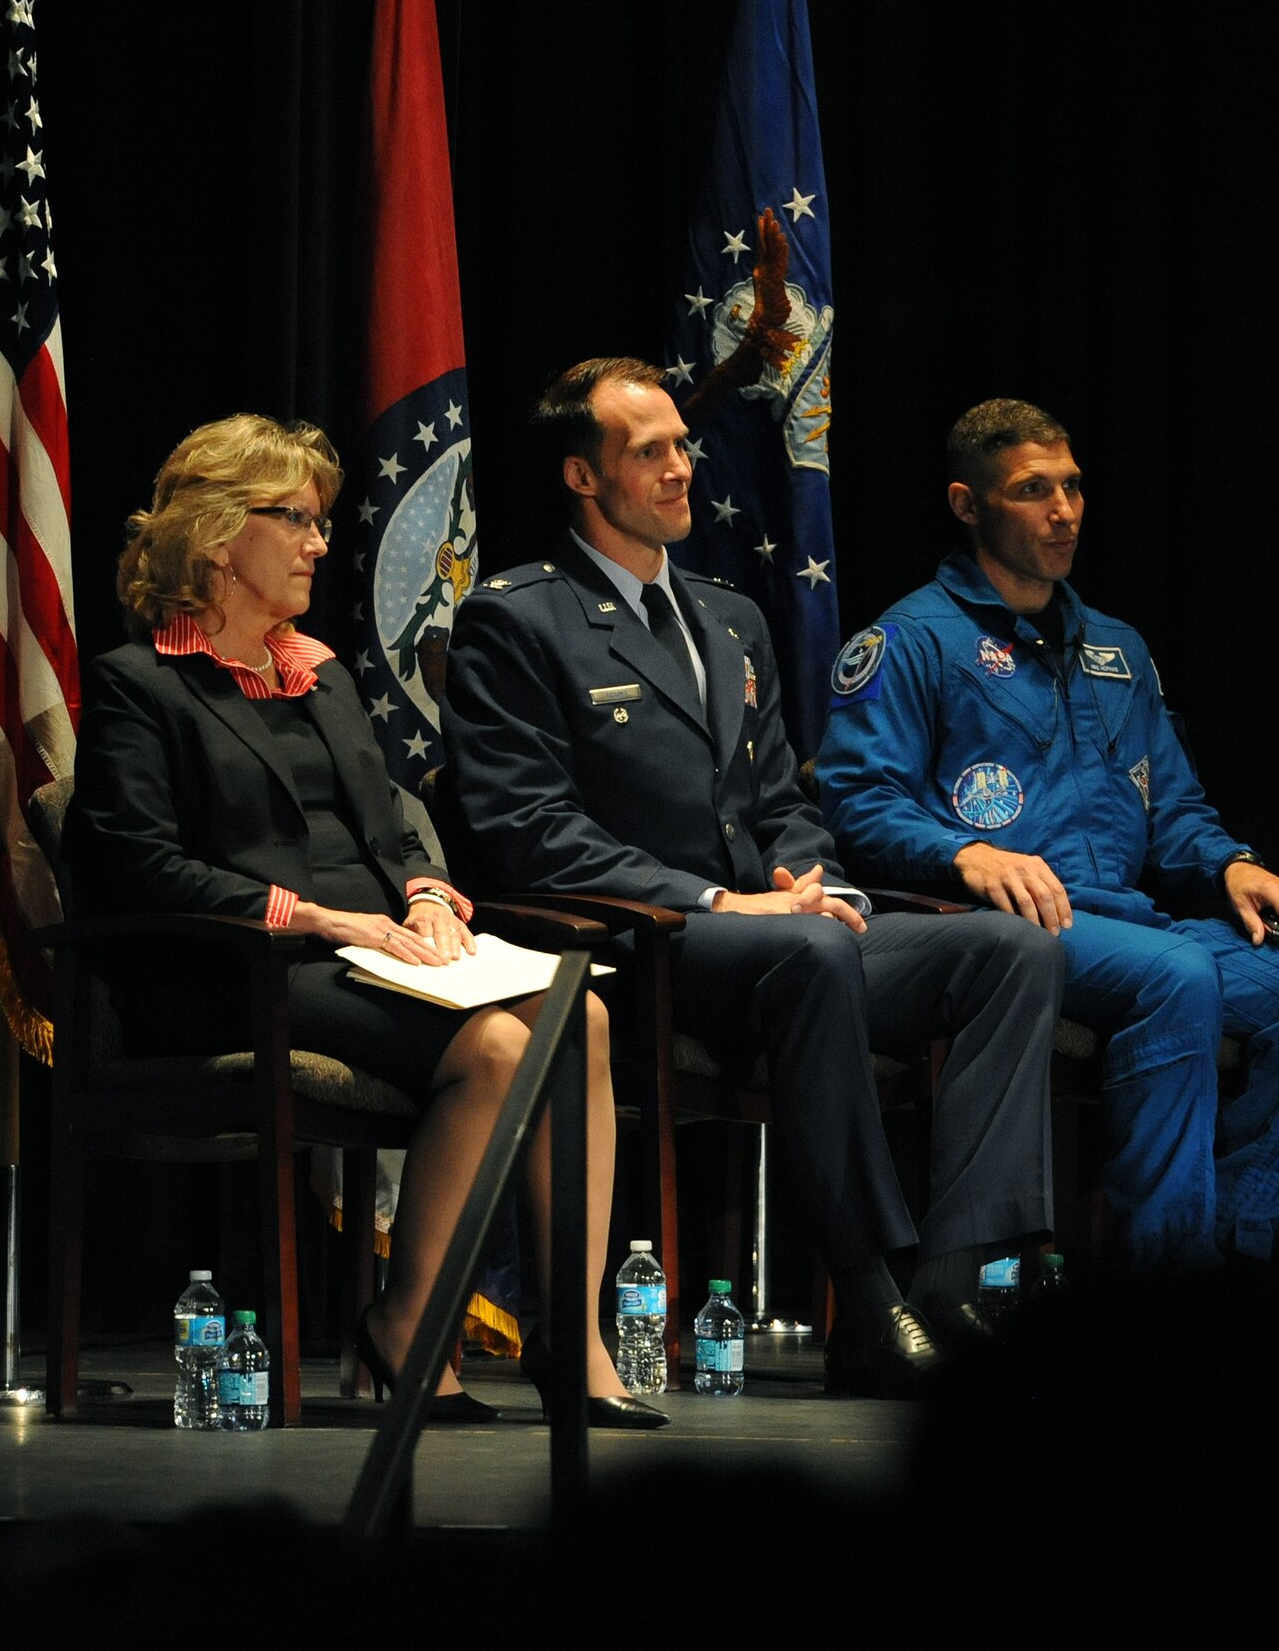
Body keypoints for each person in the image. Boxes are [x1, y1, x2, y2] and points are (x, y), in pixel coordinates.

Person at [439, 359, 1066, 1395]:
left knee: (1012, 949)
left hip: (780, 940)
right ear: (582, 478)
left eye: (683, 445)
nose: (683, 467)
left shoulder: (728, 616)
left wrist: (818, 881)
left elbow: (778, 800)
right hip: (629, 947)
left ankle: (952, 1279)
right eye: (650, 452)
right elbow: (527, 832)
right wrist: (726, 901)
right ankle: (868, 1299)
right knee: (809, 948)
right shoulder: (519, 617)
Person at [65, 413, 666, 1427]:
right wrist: (322, 918)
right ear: (217, 532)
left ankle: (574, 1330)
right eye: (295, 519)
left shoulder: (318, 668)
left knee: (585, 1017)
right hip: (234, 967)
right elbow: (133, 862)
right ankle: (409, 1320)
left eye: (320, 520)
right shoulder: (143, 682)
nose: (317, 541)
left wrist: (425, 893)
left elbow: (391, 822)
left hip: (367, 954)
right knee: (491, 1047)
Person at [816, 398, 1279, 1267]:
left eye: (1074, 487)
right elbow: (858, 799)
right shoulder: (911, 640)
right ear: (968, 505)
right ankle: (1167, 1275)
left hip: (1136, 920)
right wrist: (965, 851)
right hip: (1017, 930)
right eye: (1033, 490)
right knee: (1181, 976)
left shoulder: (1115, 648)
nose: (1064, 512)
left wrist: (1231, 864)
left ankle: (1224, 1240)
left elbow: (1176, 810)